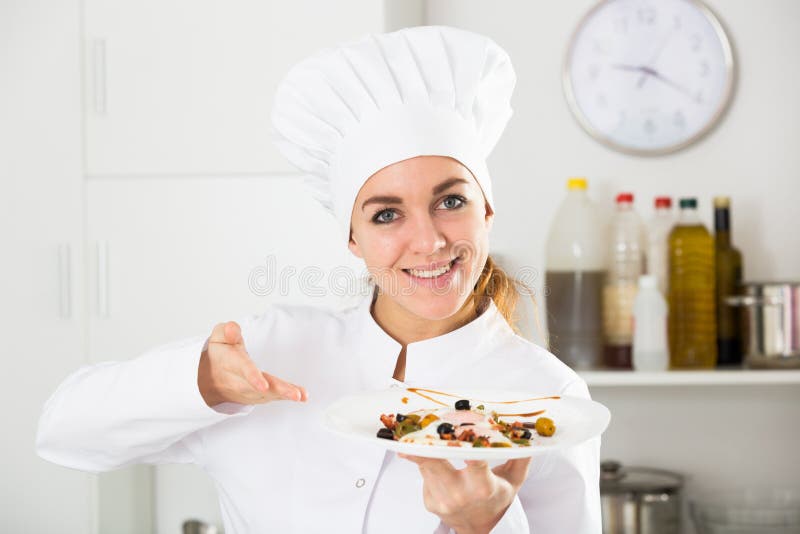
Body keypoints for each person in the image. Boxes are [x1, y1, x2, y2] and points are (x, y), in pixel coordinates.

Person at [36, 26, 601, 533]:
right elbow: (64, 431)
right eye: (386, 214)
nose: (429, 241)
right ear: (352, 237)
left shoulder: (546, 397)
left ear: (488, 211)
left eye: (451, 200)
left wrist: (490, 527)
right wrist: (202, 382)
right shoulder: (268, 355)